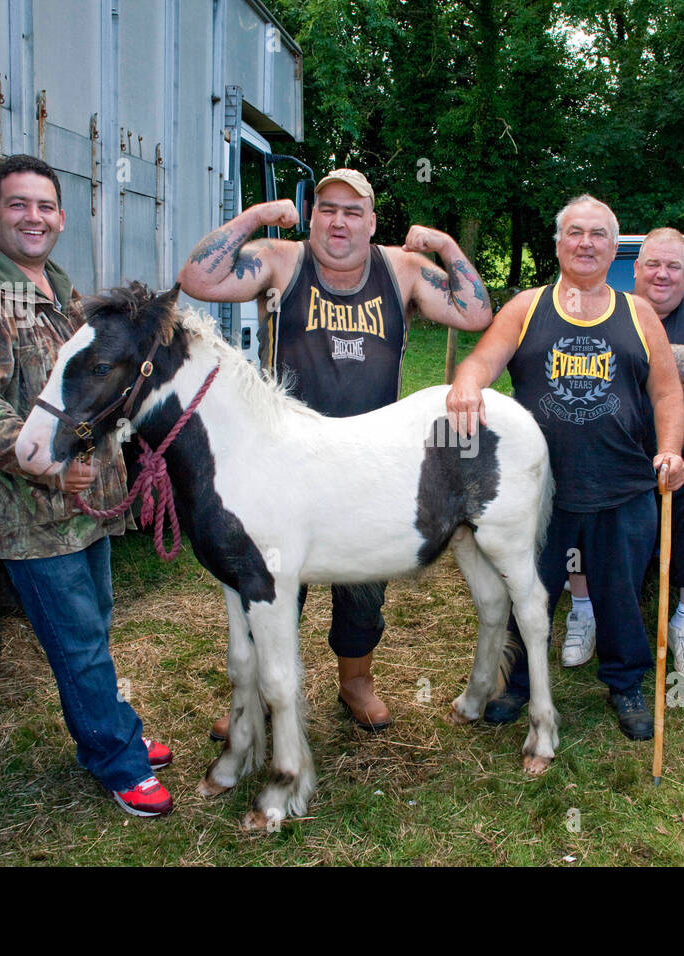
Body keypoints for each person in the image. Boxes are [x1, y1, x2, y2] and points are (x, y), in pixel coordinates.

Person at [176, 168, 493, 736]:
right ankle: (252, 699)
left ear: (372, 222)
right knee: (267, 578)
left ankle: (356, 683)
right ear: (312, 214)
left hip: (369, 455)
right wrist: (253, 217)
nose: (339, 221)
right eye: (327, 208)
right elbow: (196, 278)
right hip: (284, 458)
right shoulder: (281, 261)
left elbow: (475, 314)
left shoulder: (401, 270)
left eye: (353, 211)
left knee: (363, 584)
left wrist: (446, 246)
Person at [0, 154, 173, 817]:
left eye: (44, 206)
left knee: (94, 629)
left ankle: (109, 734)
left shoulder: (61, 291)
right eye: (17, 205)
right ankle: (119, 763)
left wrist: (91, 454)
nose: (32, 217)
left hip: (80, 506)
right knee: (80, 644)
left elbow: (80, 396)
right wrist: (48, 464)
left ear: (60, 217)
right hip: (29, 511)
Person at [445, 195, 684, 741]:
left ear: (614, 247)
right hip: (536, 489)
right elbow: (483, 360)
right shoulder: (527, 306)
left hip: (622, 484)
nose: (585, 243)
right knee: (523, 587)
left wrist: (669, 450)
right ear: (557, 244)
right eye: (574, 232)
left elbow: (668, 392)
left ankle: (626, 682)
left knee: (621, 593)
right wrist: (466, 383)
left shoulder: (638, 313)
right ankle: (513, 683)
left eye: (598, 234)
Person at [562, 229, 684, 678]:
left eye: (673, 266)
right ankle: (584, 610)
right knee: (580, 499)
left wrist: (632, 358)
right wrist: (679, 366)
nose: (662, 274)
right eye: (653, 264)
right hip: (611, 452)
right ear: (634, 268)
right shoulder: (606, 306)